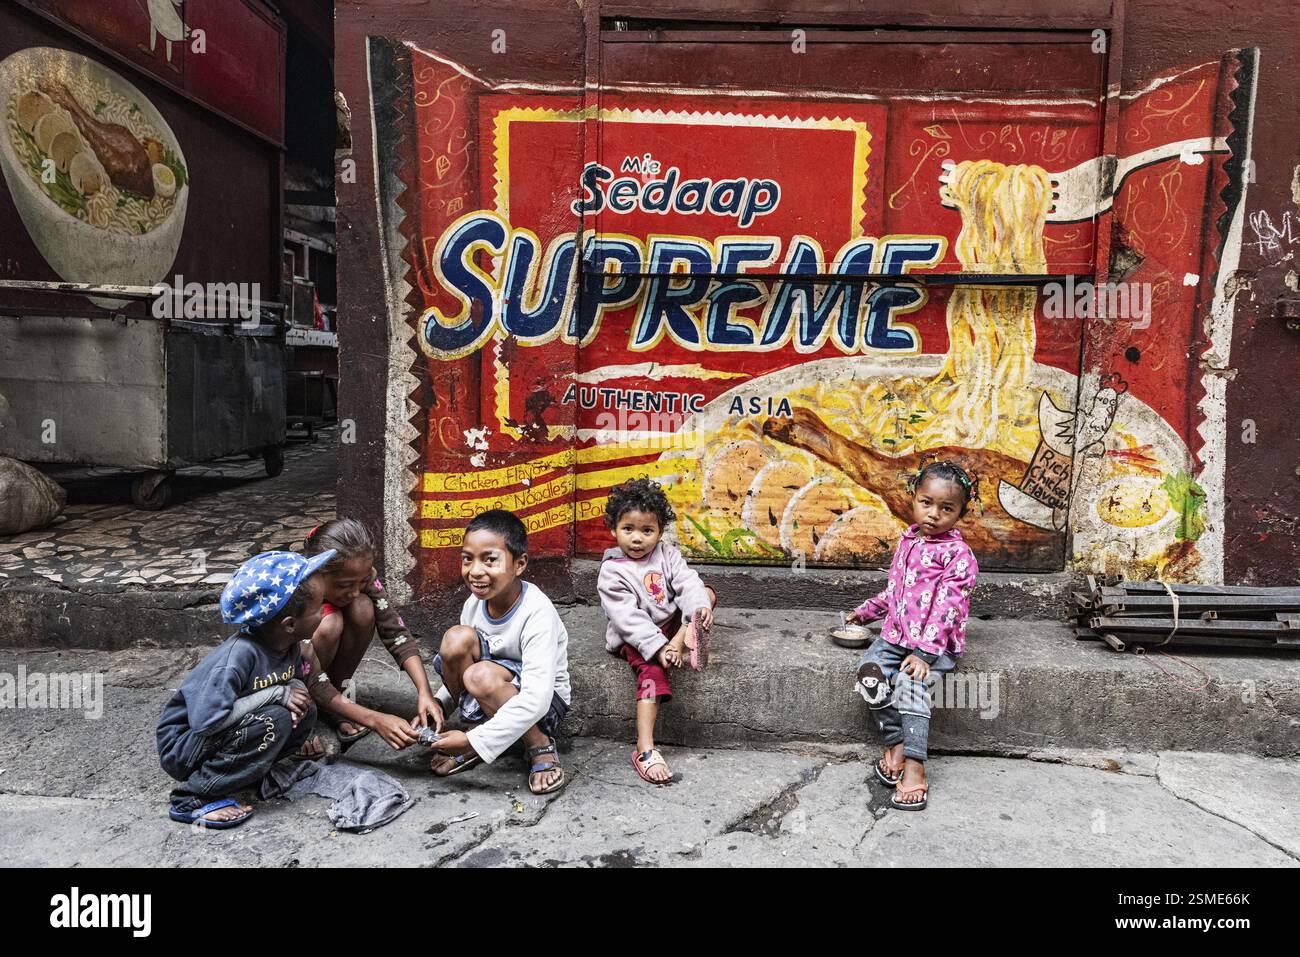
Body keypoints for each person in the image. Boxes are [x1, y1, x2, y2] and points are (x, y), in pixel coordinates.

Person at [156, 549, 335, 829]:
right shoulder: (238, 657)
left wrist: (295, 687)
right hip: (186, 746)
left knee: (305, 708)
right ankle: (192, 797)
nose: (325, 612)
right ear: (289, 624)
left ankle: (252, 774)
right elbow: (207, 723)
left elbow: (289, 678)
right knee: (273, 719)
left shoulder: (289, 645)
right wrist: (277, 694)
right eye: (319, 608)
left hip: (229, 731)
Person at [847, 460, 980, 811]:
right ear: (913, 498)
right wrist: (865, 612)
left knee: (909, 685)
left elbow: (947, 608)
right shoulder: (908, 541)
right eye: (927, 503)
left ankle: (916, 766)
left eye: (947, 508)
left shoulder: (959, 556)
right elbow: (896, 592)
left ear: (961, 513)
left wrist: (924, 653)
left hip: (934, 646)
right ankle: (897, 742)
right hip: (894, 637)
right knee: (868, 674)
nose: (934, 514)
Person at [423, 509, 573, 795]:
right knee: (455, 640)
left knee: (480, 676)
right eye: (468, 559)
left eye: (489, 559)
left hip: (545, 705)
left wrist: (471, 741)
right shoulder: (474, 604)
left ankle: (537, 744)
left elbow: (537, 700)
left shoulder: (537, 612)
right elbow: (459, 666)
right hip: (489, 689)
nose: (475, 571)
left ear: (519, 564)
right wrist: (439, 706)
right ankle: (481, 737)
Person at [597, 477, 715, 785]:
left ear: (660, 532)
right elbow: (627, 618)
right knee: (652, 674)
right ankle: (645, 748)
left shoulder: (667, 554)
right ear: (613, 529)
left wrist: (696, 606)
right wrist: (660, 648)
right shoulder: (612, 571)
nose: (637, 539)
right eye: (628, 529)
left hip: (668, 623)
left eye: (647, 531)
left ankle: (687, 633)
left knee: (705, 595)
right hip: (636, 635)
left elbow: (687, 582)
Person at [303, 519, 435, 749]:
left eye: (362, 582)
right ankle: (305, 710)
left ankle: (338, 694)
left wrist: (425, 692)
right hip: (297, 679)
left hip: (324, 677)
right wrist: (374, 719)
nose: (354, 591)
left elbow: (395, 631)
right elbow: (301, 668)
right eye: (345, 585)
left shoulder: (361, 574)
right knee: (329, 624)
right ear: (317, 574)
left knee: (364, 608)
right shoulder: (298, 591)